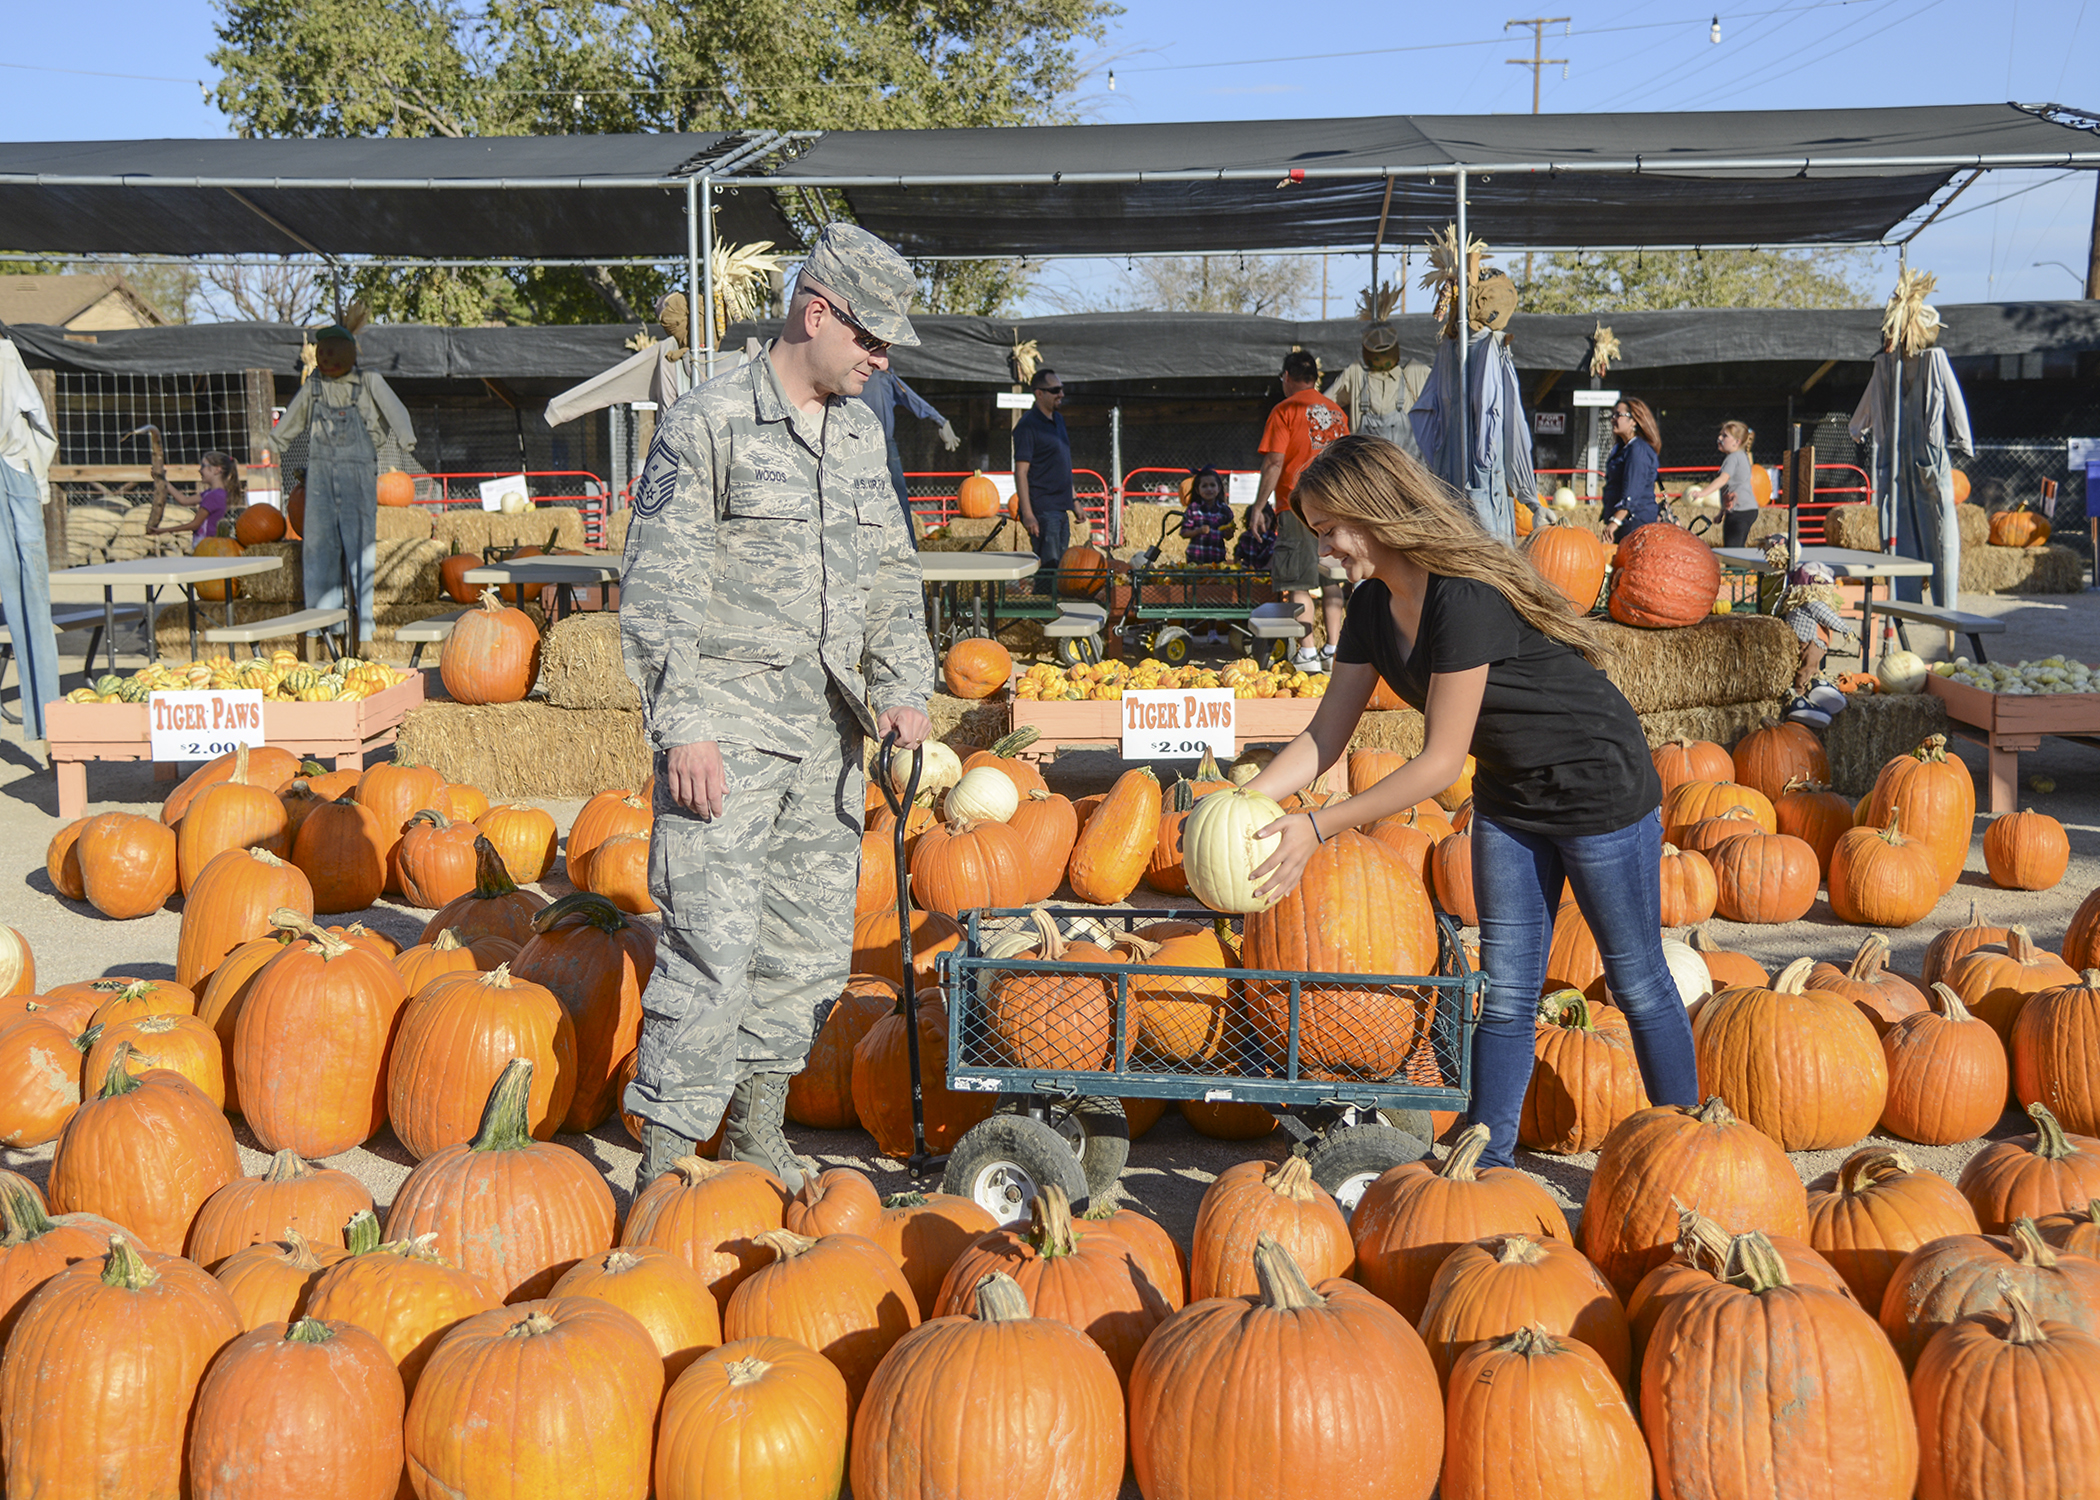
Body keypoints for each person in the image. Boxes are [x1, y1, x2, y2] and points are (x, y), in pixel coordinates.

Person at [1237, 433, 1701, 1167]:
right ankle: (1486, 1163)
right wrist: (1243, 800)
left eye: (1329, 532)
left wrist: (1318, 826)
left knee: (1636, 977)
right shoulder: (1368, 609)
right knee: (1507, 991)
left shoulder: (1463, 594)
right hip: (1512, 796)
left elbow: (1440, 760)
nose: (1324, 551)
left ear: (1373, 512)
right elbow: (1326, 734)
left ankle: (1693, 1144)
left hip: (1597, 782)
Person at [618, 222, 934, 1195]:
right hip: (727, 733)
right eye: (870, 340)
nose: (880, 361)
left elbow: (889, 570)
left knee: (802, 952)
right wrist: (686, 729)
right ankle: (668, 1162)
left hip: (829, 737)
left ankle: (756, 1129)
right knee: (709, 945)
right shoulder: (707, 421)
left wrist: (904, 689)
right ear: (815, 311)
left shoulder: (861, 430)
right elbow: (657, 586)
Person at [272, 319, 416, 651]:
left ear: (351, 352)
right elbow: (292, 418)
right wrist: (277, 440)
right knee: (317, 550)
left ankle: (364, 632)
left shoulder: (370, 381)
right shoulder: (314, 386)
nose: (329, 358)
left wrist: (406, 437)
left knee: (360, 551)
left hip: (358, 474)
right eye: (323, 351)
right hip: (320, 475)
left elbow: (396, 410)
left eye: (337, 350)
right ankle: (319, 630)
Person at [1249, 350, 1349, 669]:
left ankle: (1307, 652)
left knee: (1298, 581)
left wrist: (1259, 506)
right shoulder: (1337, 413)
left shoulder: (1285, 410)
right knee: (1332, 577)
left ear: (1288, 377)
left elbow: (1275, 461)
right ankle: (1333, 649)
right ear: (1315, 379)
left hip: (1298, 505)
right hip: (1336, 505)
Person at [0, 329, 59, 746]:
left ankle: (48, 721)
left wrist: (34, 479)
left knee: (32, 600)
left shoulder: (5, 353)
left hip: (13, 472)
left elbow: (39, 423)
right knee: (31, 599)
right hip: (16, 471)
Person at [858, 367, 960, 543]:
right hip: (856, 445)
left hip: (884, 445)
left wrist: (940, 421)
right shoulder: (849, 376)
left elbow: (911, 397)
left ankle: (910, 549)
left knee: (898, 499)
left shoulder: (882, 374)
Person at [1012, 367, 1073, 595]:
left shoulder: (1058, 420)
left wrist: (1074, 501)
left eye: (1061, 389)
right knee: (1048, 571)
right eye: (1055, 390)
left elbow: (1063, 463)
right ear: (1039, 393)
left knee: (1061, 569)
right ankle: (1042, 620)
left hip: (1061, 506)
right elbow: (1020, 472)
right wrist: (1027, 514)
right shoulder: (1028, 426)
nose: (1061, 394)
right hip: (1043, 510)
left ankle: (1055, 615)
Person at [1687, 422, 1760, 548]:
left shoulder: (1733, 457)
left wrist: (1702, 493)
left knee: (1733, 552)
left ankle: (1737, 567)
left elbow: (1723, 479)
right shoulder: (1741, 456)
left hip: (1740, 511)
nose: (1719, 438)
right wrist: (1722, 512)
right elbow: (1732, 488)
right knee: (1736, 550)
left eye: (1724, 436)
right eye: (1720, 435)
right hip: (1746, 510)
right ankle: (1739, 567)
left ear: (1736, 441)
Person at [146, 452, 245, 544]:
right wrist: (162, 480)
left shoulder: (214, 496)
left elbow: (195, 524)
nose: (200, 470)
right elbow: (184, 500)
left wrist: (163, 530)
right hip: (205, 544)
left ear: (217, 470)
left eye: (203, 466)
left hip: (207, 545)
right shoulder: (212, 493)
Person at [1599, 398, 1662, 542]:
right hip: (1625, 522)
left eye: (1618, 415)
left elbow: (1632, 493)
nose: (1613, 419)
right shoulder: (1622, 449)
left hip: (1635, 525)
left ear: (1634, 421)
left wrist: (1615, 522)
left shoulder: (1637, 450)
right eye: (1612, 415)